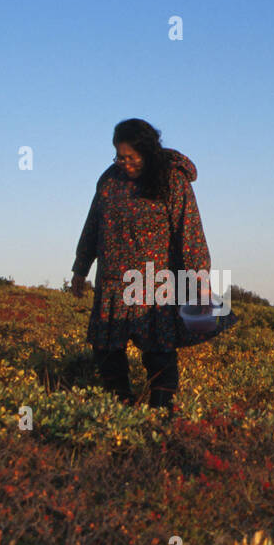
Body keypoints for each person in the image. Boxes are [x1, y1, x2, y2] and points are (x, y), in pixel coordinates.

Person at [70, 119, 232, 410]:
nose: (124, 163)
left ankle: (162, 413)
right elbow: (92, 226)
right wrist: (80, 268)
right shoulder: (109, 181)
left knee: (159, 354)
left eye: (130, 157)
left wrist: (198, 281)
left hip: (154, 285)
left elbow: (189, 231)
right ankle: (119, 409)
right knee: (106, 352)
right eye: (119, 156)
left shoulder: (172, 180)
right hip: (112, 282)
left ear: (147, 151)